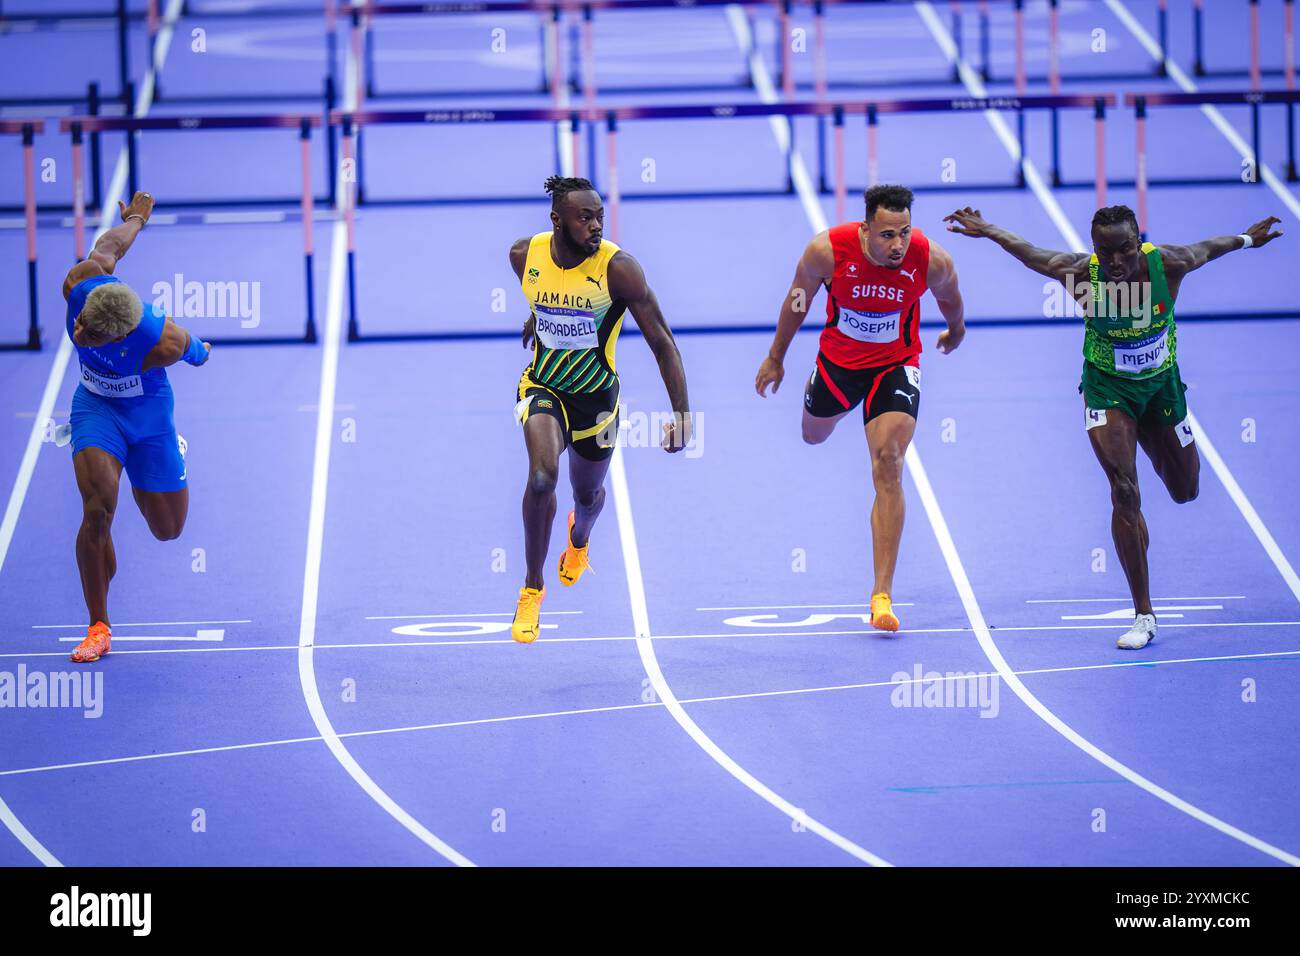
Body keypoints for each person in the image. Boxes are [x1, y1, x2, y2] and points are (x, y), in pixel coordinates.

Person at [943, 204, 1283, 648]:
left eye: (1124, 249)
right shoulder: (1082, 275)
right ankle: (1144, 614)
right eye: (1105, 252)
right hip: (1108, 391)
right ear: (1095, 251)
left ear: (1139, 240)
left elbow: (1209, 248)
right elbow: (1029, 252)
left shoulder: (1169, 264)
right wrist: (988, 230)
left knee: (1186, 490)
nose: (1116, 262)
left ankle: (1153, 441)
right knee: (1124, 490)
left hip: (1161, 390)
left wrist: (1247, 239)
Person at [755, 184, 967, 633]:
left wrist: (957, 330)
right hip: (837, 366)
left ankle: (881, 596)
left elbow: (949, 297)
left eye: (905, 233)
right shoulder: (826, 252)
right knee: (813, 435)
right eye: (888, 235)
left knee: (889, 463)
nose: (898, 245)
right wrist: (776, 357)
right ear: (866, 228)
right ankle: (830, 403)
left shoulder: (931, 260)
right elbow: (798, 301)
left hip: (895, 364)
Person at [508, 176, 691, 644]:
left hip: (597, 401)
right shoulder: (523, 255)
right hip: (543, 386)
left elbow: (663, 343)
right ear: (557, 221)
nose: (595, 226)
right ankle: (532, 589)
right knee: (541, 478)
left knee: (587, 497)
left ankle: (579, 540)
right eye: (584, 217)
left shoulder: (619, 270)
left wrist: (683, 416)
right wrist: (536, 317)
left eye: (599, 217)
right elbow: (543, 292)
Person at [59, 191, 211, 663]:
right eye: (81, 324)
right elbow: (110, 247)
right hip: (96, 408)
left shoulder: (161, 341)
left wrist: (202, 350)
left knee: (168, 530)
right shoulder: (83, 282)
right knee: (98, 510)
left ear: (122, 337)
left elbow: (196, 350)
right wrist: (136, 218)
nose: (80, 334)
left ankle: (170, 452)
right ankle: (98, 626)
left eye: (92, 335)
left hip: (147, 416)